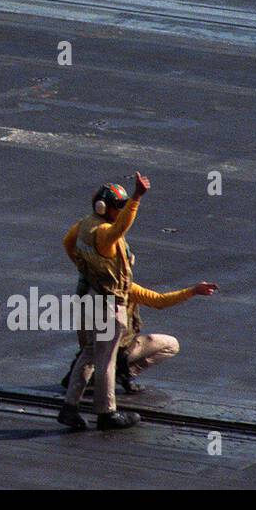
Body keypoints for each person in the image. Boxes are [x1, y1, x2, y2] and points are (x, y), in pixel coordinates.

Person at [57, 172, 149, 432]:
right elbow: (122, 228)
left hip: (90, 297)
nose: (121, 212)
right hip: (108, 303)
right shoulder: (106, 234)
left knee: (88, 354)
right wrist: (137, 198)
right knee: (105, 360)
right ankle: (107, 413)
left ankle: (69, 408)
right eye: (118, 207)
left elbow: (68, 242)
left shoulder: (86, 223)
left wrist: (84, 267)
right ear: (103, 208)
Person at [60, 280, 219, 395]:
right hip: (118, 351)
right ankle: (124, 373)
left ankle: (85, 375)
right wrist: (193, 291)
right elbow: (160, 301)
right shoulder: (125, 288)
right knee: (171, 344)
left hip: (91, 353)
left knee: (92, 350)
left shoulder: (87, 289)